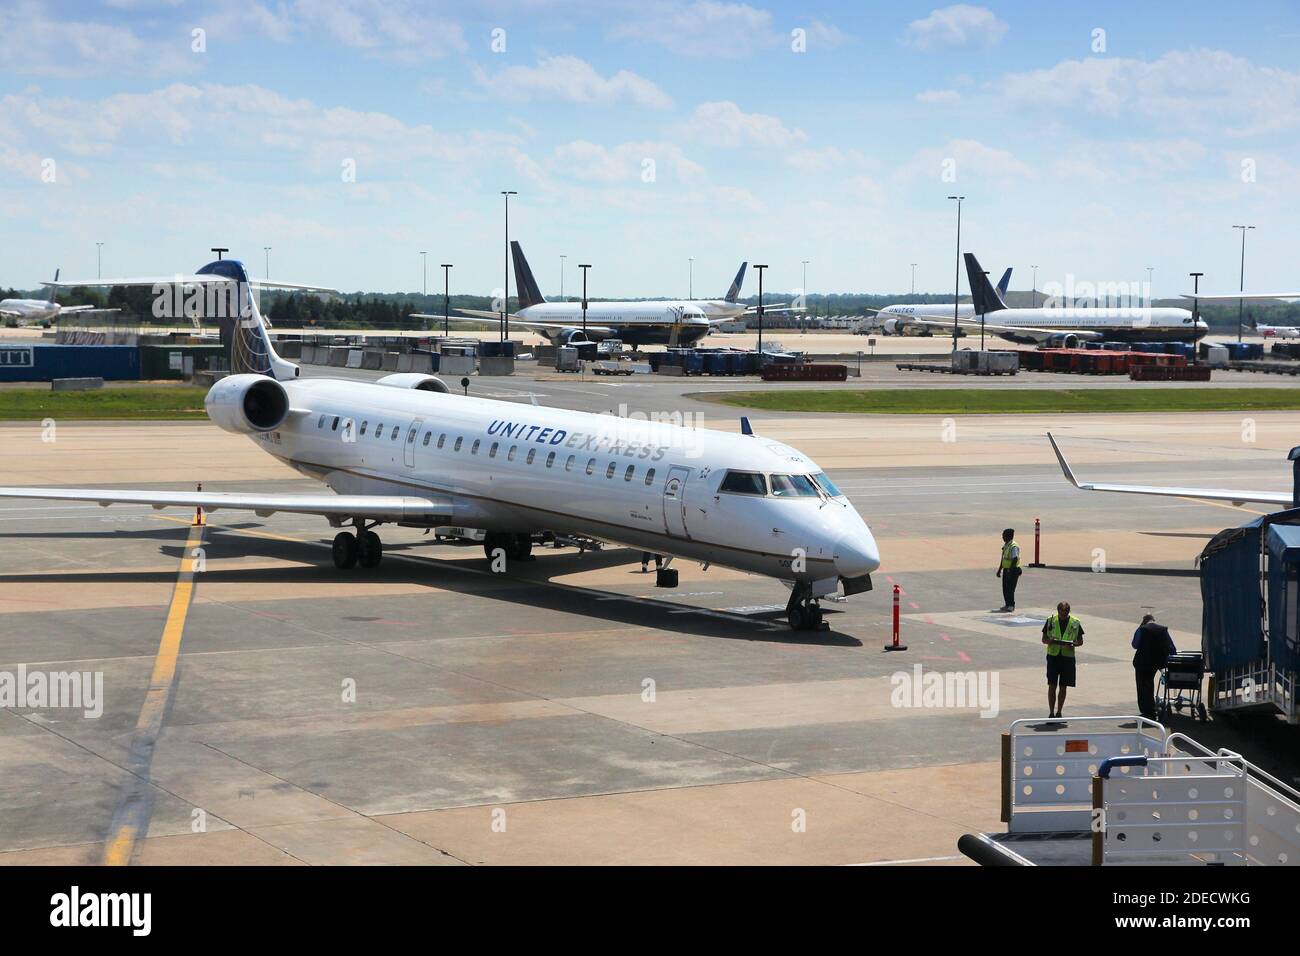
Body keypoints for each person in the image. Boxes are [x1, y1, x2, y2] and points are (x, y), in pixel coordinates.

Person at [1042, 601, 1083, 718]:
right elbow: (1044, 639)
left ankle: (1059, 712)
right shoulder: (1051, 620)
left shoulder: (1075, 622)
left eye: (1066, 612)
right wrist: (1050, 640)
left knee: (1063, 686)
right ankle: (1051, 712)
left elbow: (1080, 641)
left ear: (1069, 611)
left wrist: (1072, 644)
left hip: (1067, 657)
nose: (1064, 615)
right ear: (1058, 611)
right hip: (1053, 656)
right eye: (1062, 612)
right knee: (1052, 685)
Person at [1132, 613, 1177, 720]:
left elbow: (1134, 644)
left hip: (1142, 662)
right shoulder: (1163, 630)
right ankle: (1151, 708)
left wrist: (1140, 627)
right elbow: (1172, 649)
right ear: (1154, 620)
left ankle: (1147, 710)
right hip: (1158, 662)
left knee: (1143, 685)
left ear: (1144, 621)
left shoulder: (1142, 629)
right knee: (1149, 683)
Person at [995, 528, 1021, 612]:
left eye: (1004, 535)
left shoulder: (1013, 546)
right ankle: (1007, 604)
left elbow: (1015, 559)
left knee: (1010, 588)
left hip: (1013, 570)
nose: (1002, 537)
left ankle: (1011, 605)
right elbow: (1003, 559)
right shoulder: (1006, 545)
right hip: (1006, 569)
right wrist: (1000, 569)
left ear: (1008, 536)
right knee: (1005, 588)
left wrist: (1010, 570)